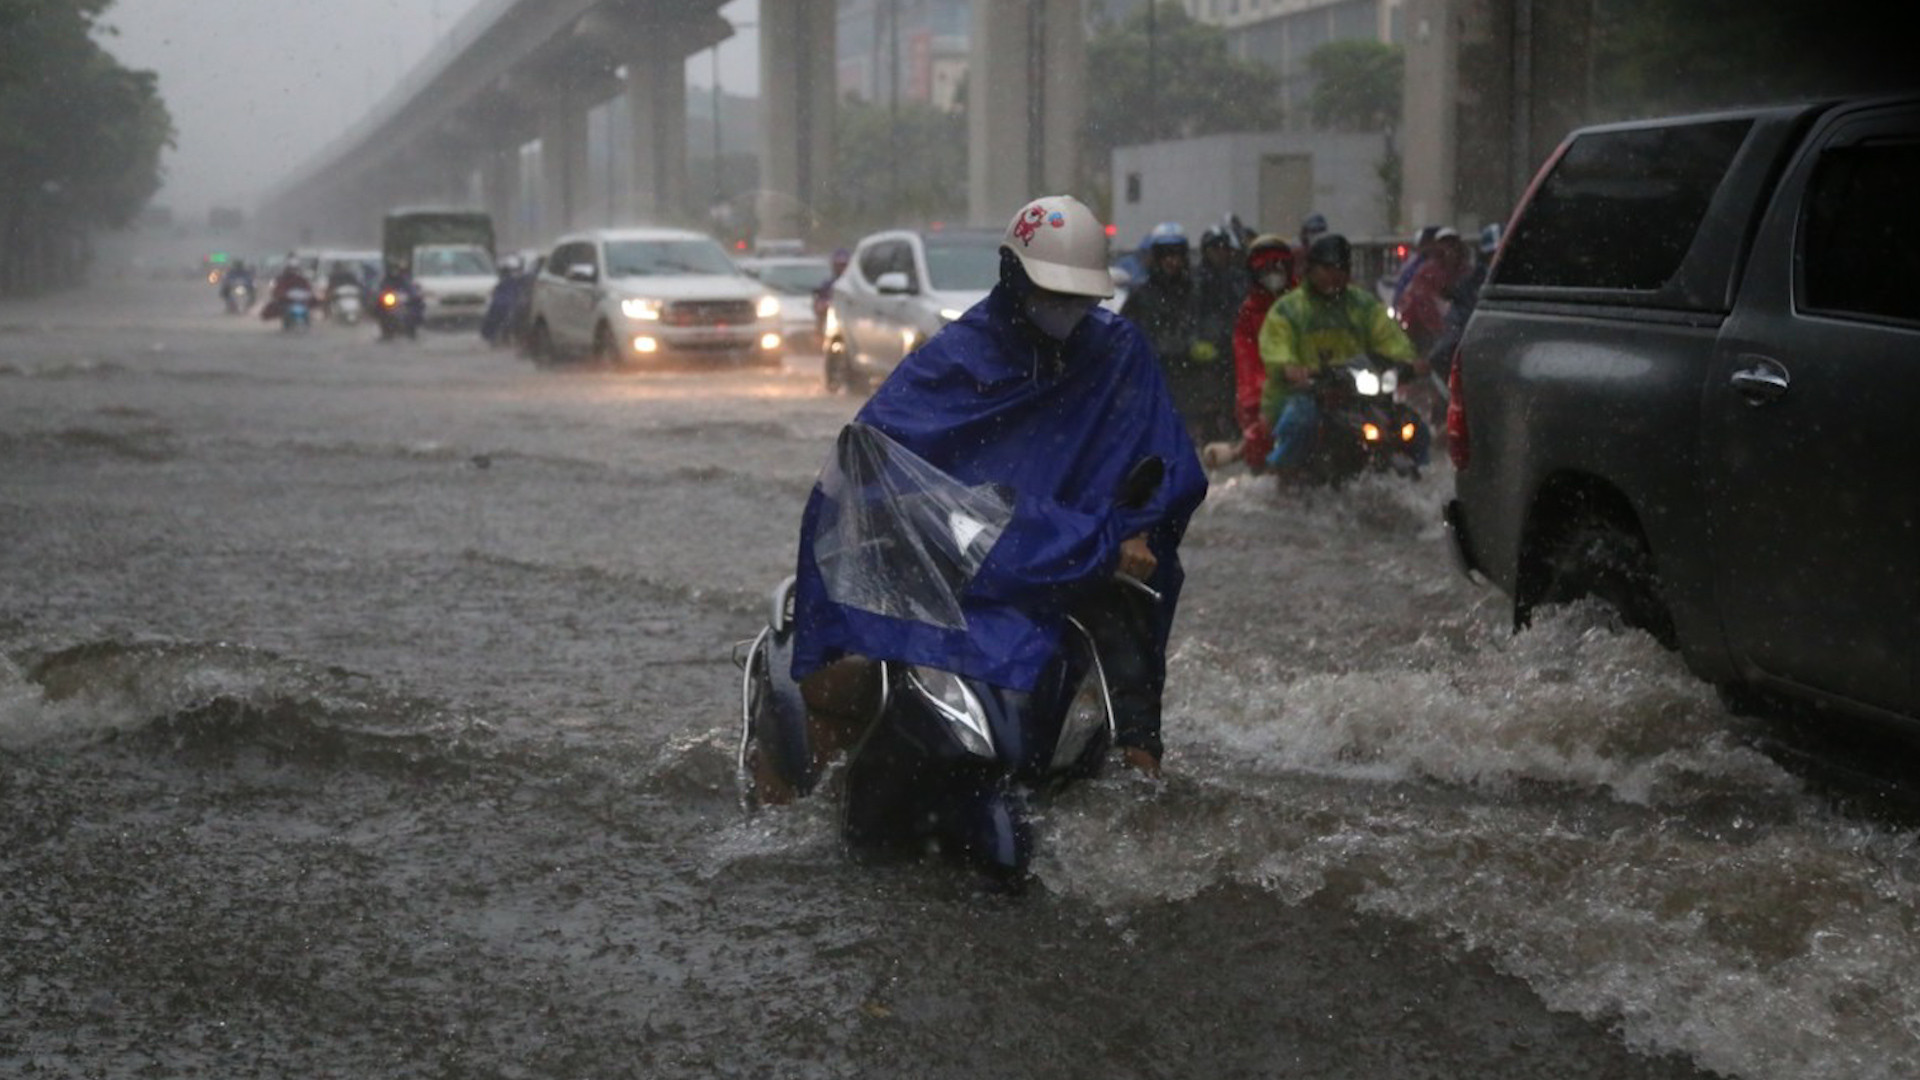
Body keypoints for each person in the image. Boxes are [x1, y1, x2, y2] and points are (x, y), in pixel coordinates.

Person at [776, 194, 1208, 799]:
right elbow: (874, 462)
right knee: (840, 675)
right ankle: (820, 802)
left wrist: (1133, 528)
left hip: (1094, 560)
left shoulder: (1118, 354)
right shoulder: (953, 359)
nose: (1068, 311)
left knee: (1133, 644)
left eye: (1079, 298)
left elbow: (1165, 461)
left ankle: (1144, 773)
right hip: (975, 562)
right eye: (1055, 295)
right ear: (1013, 278)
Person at [1257, 233, 1422, 477]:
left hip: (1358, 393)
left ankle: (1427, 481)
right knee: (1300, 422)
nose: (1335, 275)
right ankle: (1279, 477)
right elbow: (1276, 348)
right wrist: (1292, 369)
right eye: (1328, 268)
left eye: (1342, 268)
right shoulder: (1289, 309)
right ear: (1311, 269)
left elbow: (1391, 339)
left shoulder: (1363, 305)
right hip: (1305, 392)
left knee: (1411, 425)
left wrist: (1408, 363)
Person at [1121, 223, 1223, 447]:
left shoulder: (1199, 291)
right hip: (1155, 380)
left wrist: (1204, 343)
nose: (1171, 261)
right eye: (1165, 255)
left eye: (1176, 255)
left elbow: (1214, 324)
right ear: (1156, 258)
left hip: (1194, 380)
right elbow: (1125, 335)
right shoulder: (1141, 296)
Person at [1231, 235, 1295, 469]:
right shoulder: (1249, 314)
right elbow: (1246, 362)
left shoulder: (1304, 303)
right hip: (1268, 394)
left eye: (1278, 267)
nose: (1273, 274)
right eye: (1266, 269)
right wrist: (1257, 399)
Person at [1397, 226, 1472, 357]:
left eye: (1452, 244)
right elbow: (1423, 304)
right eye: (1445, 244)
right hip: (1428, 335)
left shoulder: (1466, 272)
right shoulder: (1426, 274)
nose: (1449, 249)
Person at [479, 254, 530, 346]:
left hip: (503, 306)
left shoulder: (508, 282)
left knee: (500, 322)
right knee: (503, 321)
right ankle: (501, 339)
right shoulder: (513, 282)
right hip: (507, 306)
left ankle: (499, 338)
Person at [812, 247, 850, 348]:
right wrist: (823, 304)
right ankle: (819, 338)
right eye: (838, 265)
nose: (841, 268)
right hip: (832, 315)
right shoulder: (828, 283)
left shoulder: (853, 284)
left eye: (843, 265)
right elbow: (818, 301)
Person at [260, 254, 315, 322]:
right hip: (287, 299)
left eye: (294, 271)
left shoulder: (302, 280)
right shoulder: (283, 279)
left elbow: (309, 289)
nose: (293, 273)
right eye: (291, 270)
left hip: (300, 299)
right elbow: (277, 289)